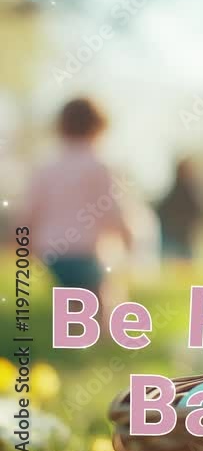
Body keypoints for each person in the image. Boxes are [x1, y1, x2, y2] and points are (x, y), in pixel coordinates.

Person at [17, 96, 134, 322]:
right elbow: (112, 211)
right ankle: (96, 346)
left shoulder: (46, 168)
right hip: (86, 251)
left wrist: (24, 246)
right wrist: (129, 238)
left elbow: (29, 214)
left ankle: (71, 343)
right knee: (101, 308)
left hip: (51, 252)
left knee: (71, 304)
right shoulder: (99, 166)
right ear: (99, 127)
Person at [155, 157, 203, 263]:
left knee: (184, 266)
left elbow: (198, 212)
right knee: (177, 265)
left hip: (183, 236)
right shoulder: (182, 192)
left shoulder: (192, 191)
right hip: (174, 237)